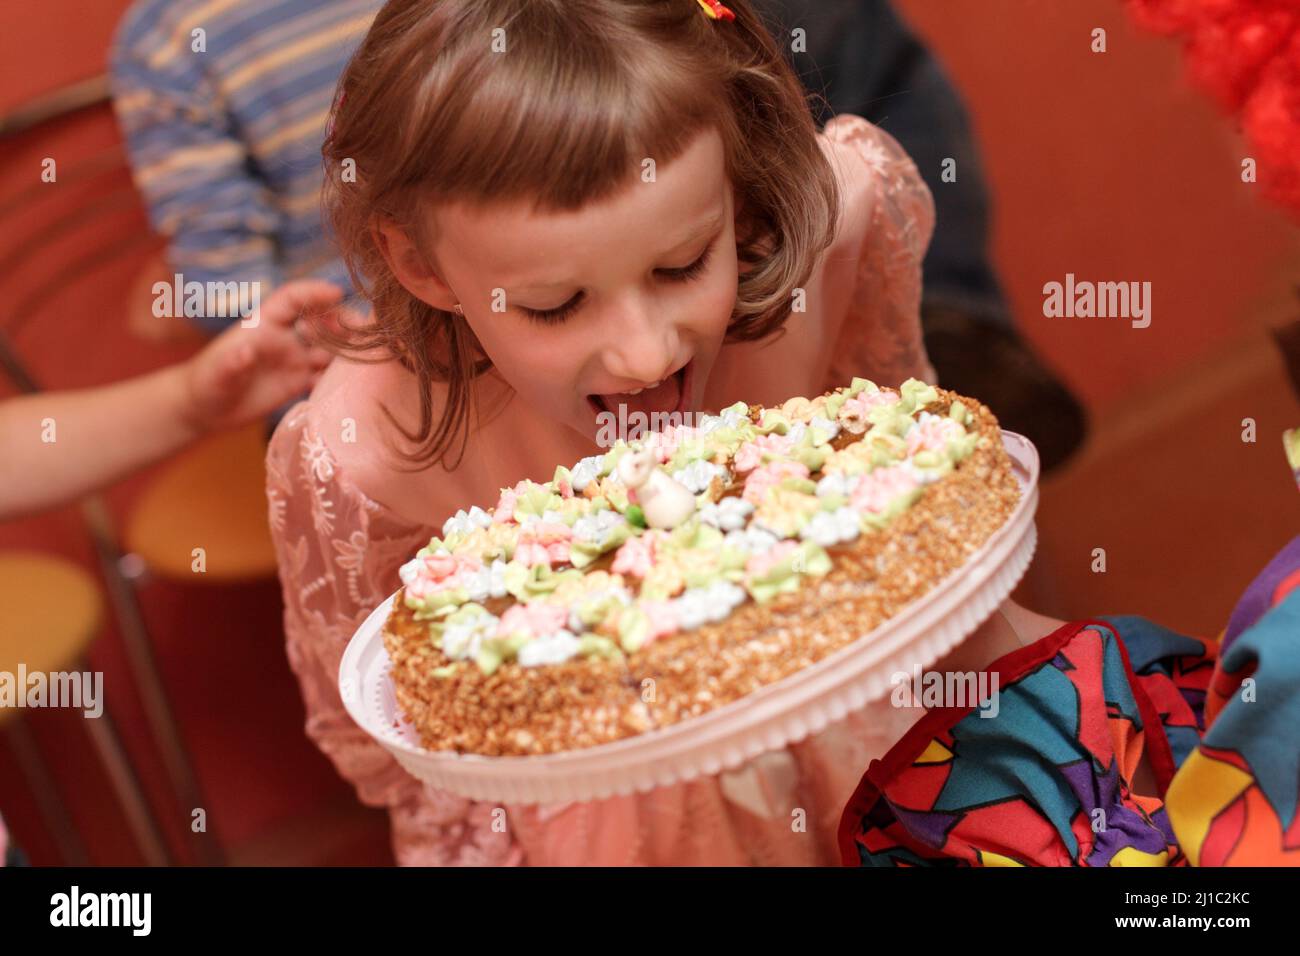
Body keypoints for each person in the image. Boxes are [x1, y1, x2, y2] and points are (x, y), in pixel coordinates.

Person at [264, 0, 1068, 866]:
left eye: (683, 263)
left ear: (739, 186)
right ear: (421, 264)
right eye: (554, 304)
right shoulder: (367, 443)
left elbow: (911, 512)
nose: (646, 350)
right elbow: (389, 745)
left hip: (880, 746)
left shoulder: (835, 221)